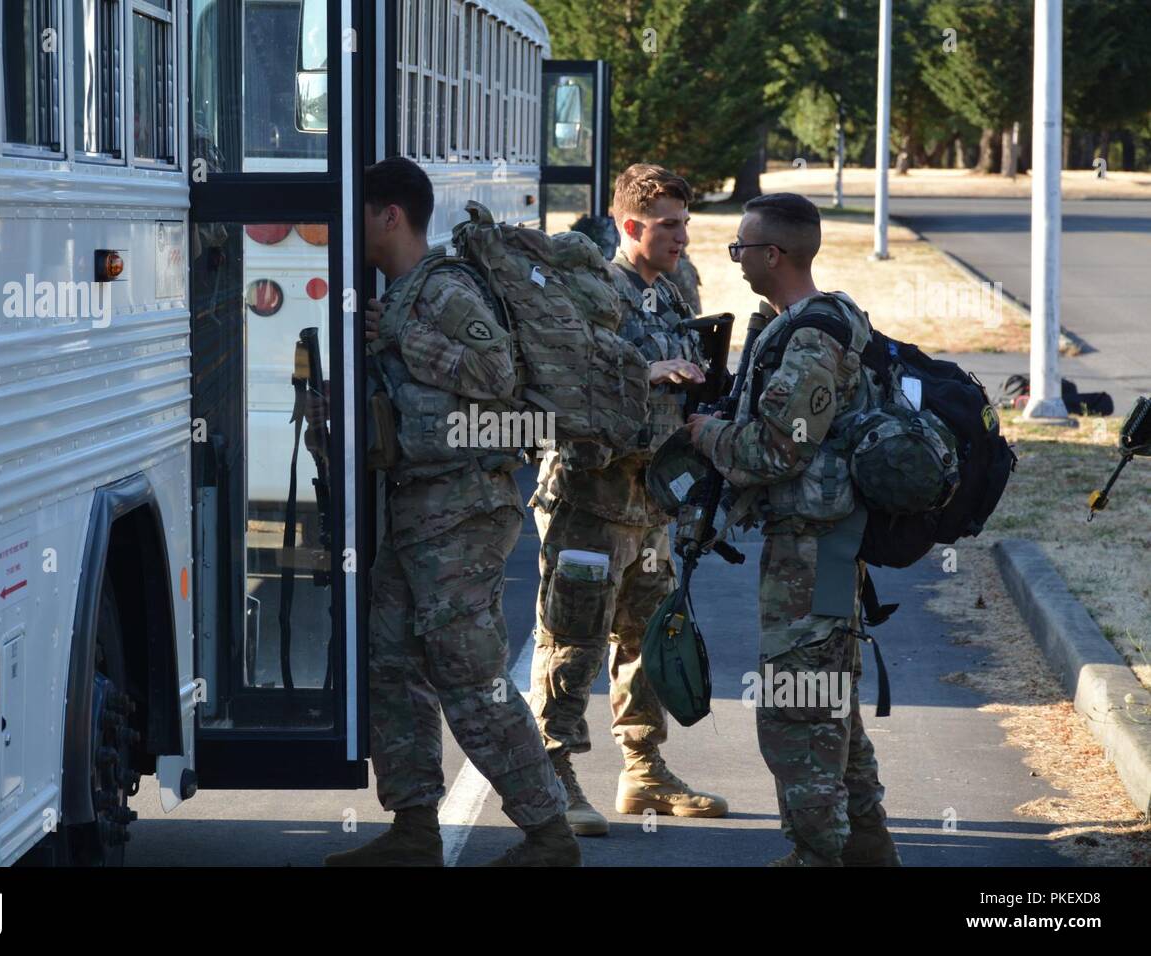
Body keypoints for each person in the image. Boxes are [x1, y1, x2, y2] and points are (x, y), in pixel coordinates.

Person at [325, 157, 578, 867]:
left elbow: (496, 373)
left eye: (356, 212)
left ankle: (549, 834)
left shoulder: (442, 290)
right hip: (417, 510)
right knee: (391, 665)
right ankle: (414, 829)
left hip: (462, 511)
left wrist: (404, 337)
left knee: (469, 674)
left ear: (389, 216)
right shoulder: (400, 294)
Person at [683, 192, 899, 867]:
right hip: (814, 548)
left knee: (796, 711)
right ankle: (866, 850)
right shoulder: (812, 322)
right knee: (828, 706)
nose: (736, 259)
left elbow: (776, 451)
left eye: (740, 248)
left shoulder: (811, 338)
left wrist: (703, 431)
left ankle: (816, 856)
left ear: (773, 254)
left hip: (815, 555)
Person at [528, 163, 729, 836]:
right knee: (572, 642)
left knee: (646, 640)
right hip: (590, 504)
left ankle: (644, 771)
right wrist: (647, 371)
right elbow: (567, 383)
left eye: (685, 224)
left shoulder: (668, 293)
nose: (682, 237)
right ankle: (553, 778)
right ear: (629, 224)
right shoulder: (594, 294)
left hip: (649, 508)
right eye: (669, 225)